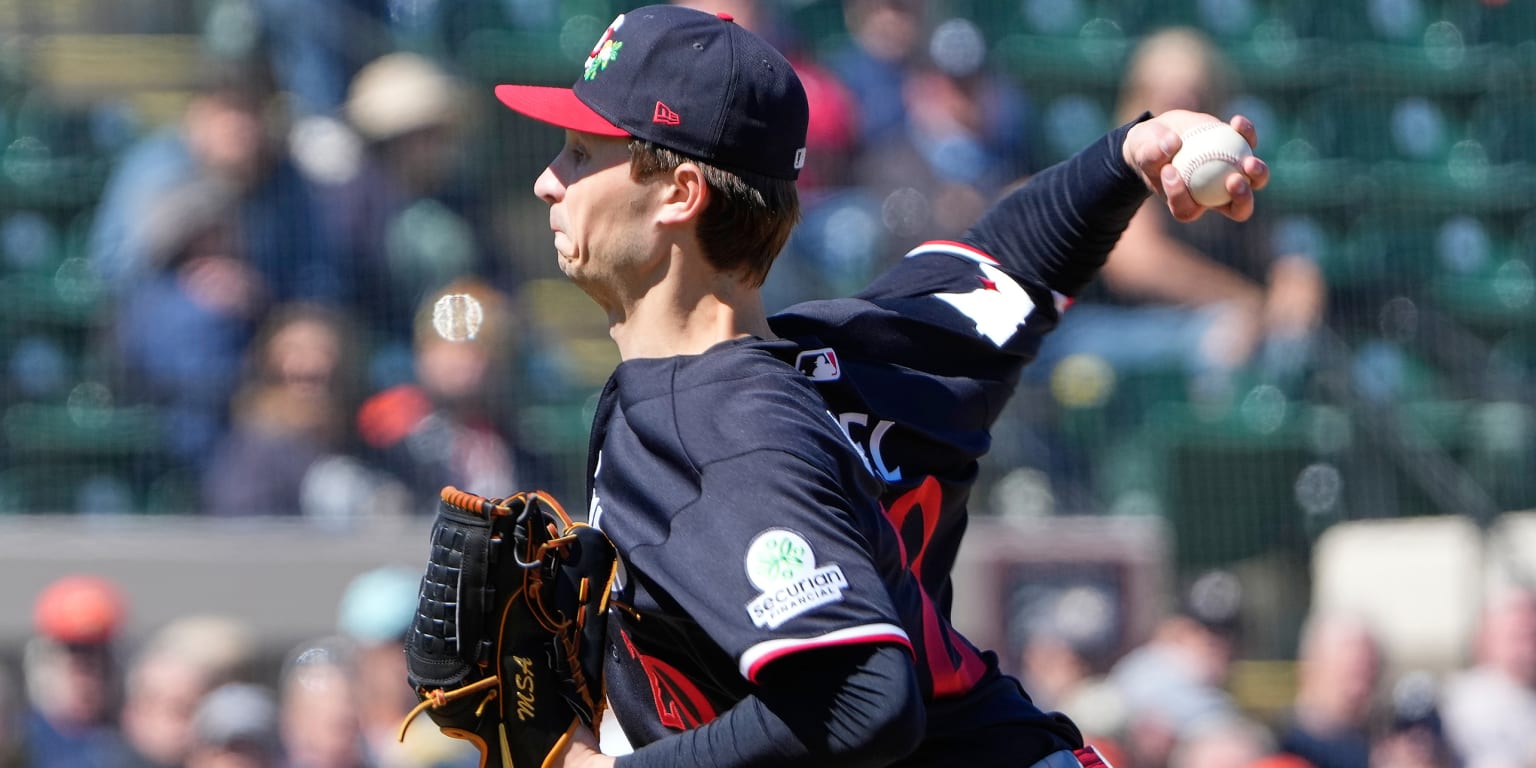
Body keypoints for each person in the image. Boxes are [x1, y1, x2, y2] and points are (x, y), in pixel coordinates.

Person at [491, 5, 1266, 767]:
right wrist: (1134, 152)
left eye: (581, 154)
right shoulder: (857, 351)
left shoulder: (709, 423)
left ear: (679, 194)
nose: (546, 182)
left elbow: (861, 699)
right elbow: (1018, 258)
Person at [20, 574, 131, 768]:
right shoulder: (19, 739)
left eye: (99, 662)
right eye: (75, 664)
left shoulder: (129, 738)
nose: (88, 679)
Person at [1439, 586, 1536, 768]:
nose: (1529, 649)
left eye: (1533, 636)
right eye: (1518, 636)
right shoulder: (1454, 704)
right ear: (1485, 638)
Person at [1277, 613, 1381, 768]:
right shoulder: (1282, 746)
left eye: (1368, 667)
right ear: (1310, 666)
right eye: (1351, 669)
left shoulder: (1380, 747)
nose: (1360, 686)